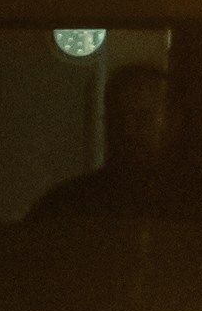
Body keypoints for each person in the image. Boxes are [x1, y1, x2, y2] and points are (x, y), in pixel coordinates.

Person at [24, 54, 171, 223]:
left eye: (142, 117)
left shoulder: (193, 202)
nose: (128, 130)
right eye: (118, 119)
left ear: (172, 121)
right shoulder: (67, 204)